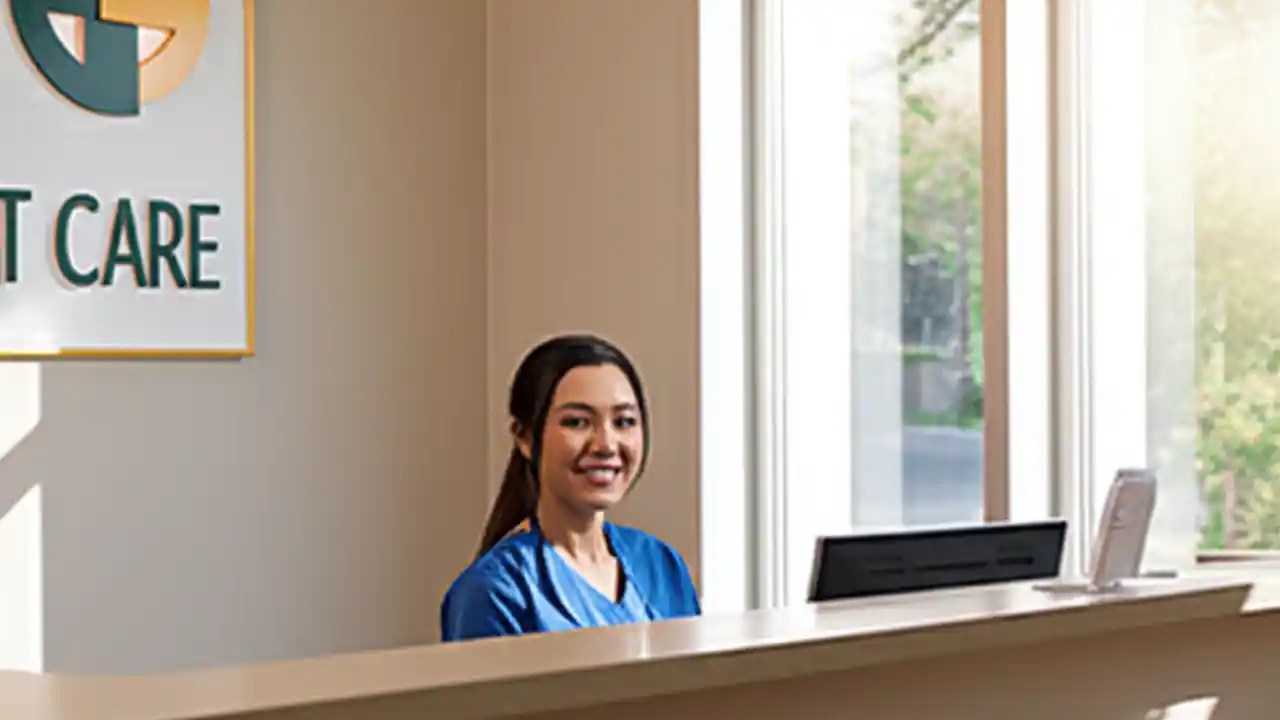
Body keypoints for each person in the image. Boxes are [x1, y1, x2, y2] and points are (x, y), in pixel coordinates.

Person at [440, 334, 701, 642]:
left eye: (624, 421)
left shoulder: (660, 565)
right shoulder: (495, 591)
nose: (605, 445)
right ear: (523, 436)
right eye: (577, 422)